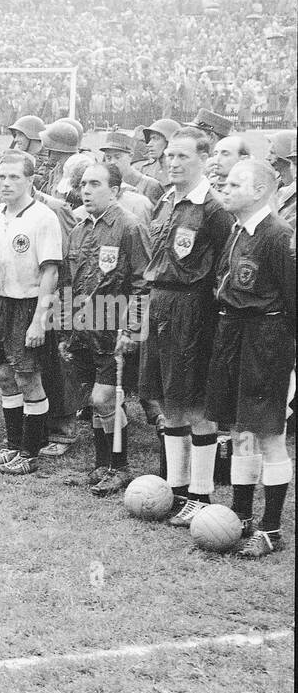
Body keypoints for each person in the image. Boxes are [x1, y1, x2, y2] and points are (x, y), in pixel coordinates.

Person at [139, 127, 234, 525]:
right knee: (169, 400)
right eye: (169, 157)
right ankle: (175, 489)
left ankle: (201, 492)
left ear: (202, 160)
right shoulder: (165, 201)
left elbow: (226, 267)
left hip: (194, 311)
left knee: (195, 403)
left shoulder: (213, 208)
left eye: (182, 158)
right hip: (160, 304)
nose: (173, 163)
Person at [207, 159, 295, 558]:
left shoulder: (278, 236)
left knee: (268, 434)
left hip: (267, 338)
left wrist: (286, 354)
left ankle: (271, 528)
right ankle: (241, 515)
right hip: (234, 333)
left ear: (260, 190)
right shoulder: (236, 230)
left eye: (235, 183)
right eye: (224, 183)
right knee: (241, 428)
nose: (225, 188)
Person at [64, 161, 151, 496]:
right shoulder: (79, 228)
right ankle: (101, 465)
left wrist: (132, 328)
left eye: (95, 184)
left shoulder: (129, 227)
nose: (86, 190)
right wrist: (65, 330)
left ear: (115, 190)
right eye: (83, 183)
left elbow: (143, 284)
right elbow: (71, 283)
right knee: (96, 400)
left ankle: (119, 466)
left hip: (113, 327)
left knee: (106, 398)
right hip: (84, 327)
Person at [0, 150, 63, 476]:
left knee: (28, 377)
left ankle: (30, 451)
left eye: (15, 177)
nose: (7, 183)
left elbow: (50, 272)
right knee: (2, 376)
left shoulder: (43, 217)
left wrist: (39, 319)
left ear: (30, 179)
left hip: (27, 305)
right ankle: (12, 446)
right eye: (2, 176)